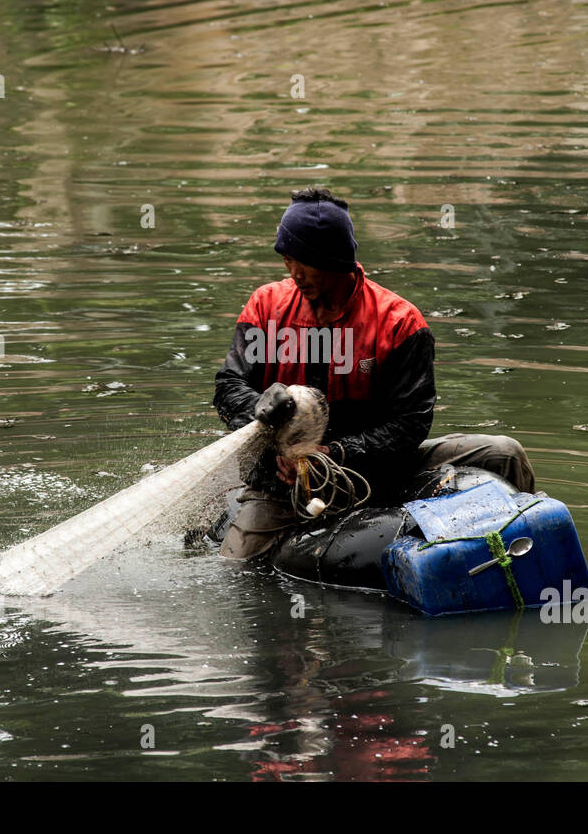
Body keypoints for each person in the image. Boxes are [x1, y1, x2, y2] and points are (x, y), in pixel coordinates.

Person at [213, 187, 536, 560]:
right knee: (236, 563)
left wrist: (335, 453)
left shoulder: (399, 324)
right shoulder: (267, 307)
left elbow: (411, 424)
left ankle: (529, 546)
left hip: (381, 470)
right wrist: (263, 415)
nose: (295, 272)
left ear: (336, 260)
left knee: (505, 453)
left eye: (306, 261)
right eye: (288, 259)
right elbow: (228, 387)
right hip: (282, 479)